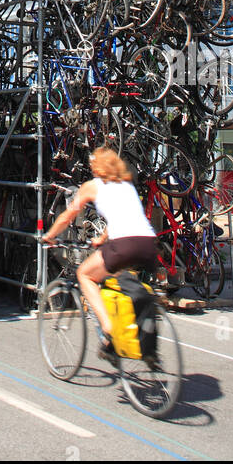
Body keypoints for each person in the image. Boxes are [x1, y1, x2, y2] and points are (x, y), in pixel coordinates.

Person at [42, 147, 158, 357]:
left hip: (124, 244)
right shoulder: (126, 184)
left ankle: (109, 330)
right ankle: (140, 338)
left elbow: (67, 217)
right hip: (148, 243)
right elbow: (124, 215)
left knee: (84, 274)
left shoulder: (92, 186)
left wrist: (50, 235)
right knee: (118, 280)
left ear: (96, 166)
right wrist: (102, 238)